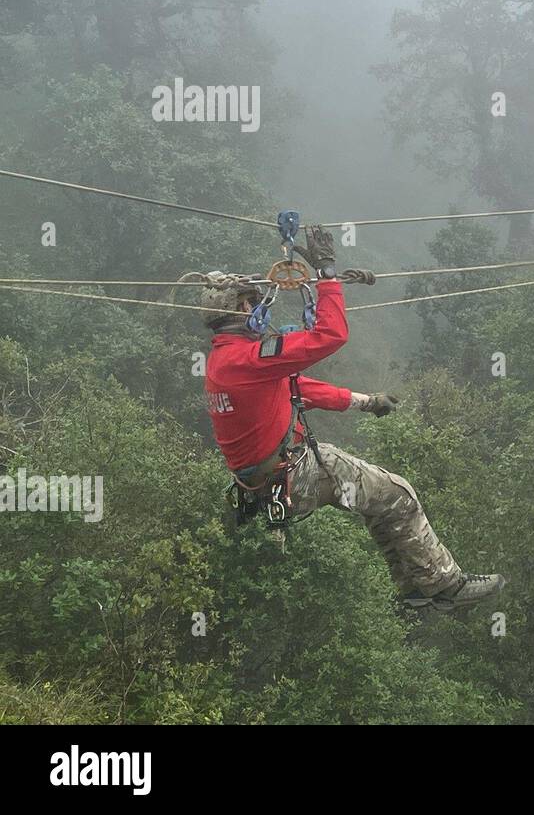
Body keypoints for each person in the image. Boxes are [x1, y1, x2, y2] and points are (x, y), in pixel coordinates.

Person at [193, 225, 503, 613]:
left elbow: (297, 388)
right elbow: (331, 334)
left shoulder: (225, 363)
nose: (261, 310)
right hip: (297, 473)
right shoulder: (252, 358)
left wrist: (365, 402)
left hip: (265, 484)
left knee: (379, 502)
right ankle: (445, 584)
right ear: (242, 309)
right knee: (399, 494)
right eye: (255, 303)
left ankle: (413, 588)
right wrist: (326, 274)